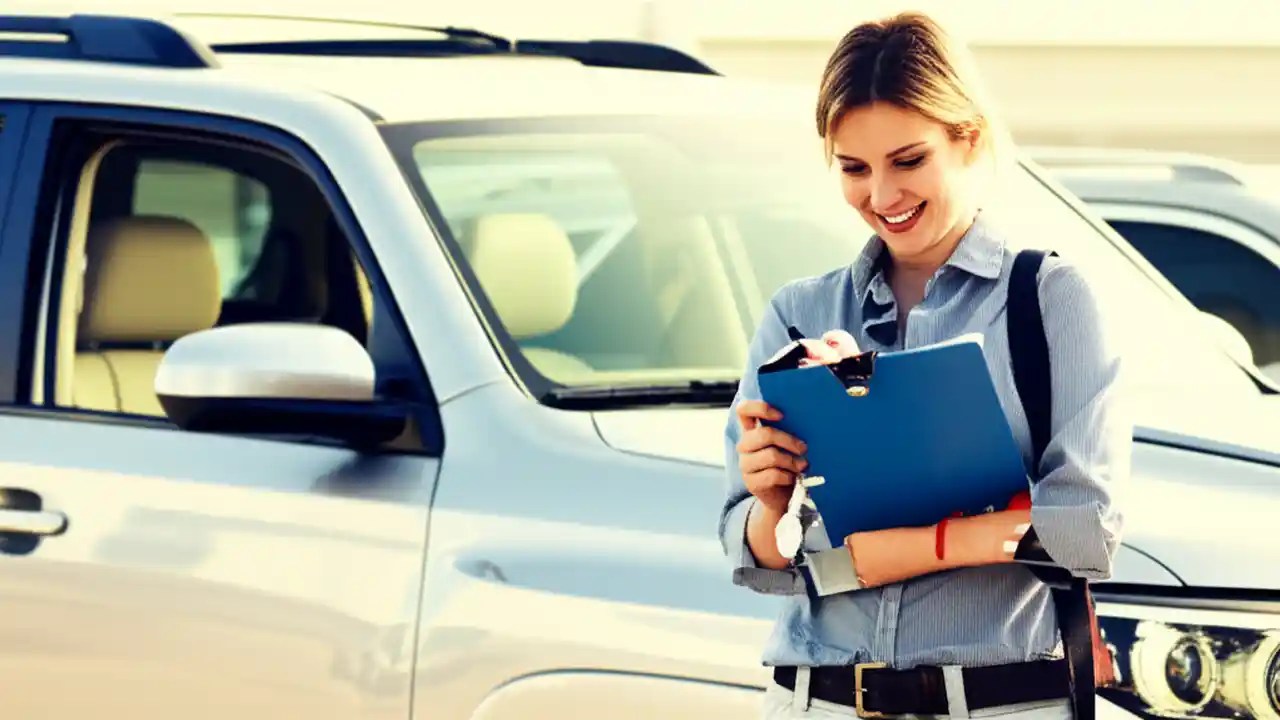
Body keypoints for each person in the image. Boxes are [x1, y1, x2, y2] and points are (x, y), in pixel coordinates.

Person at [717, 11, 1132, 720]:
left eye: (908, 161)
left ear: (966, 139)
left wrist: (897, 548)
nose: (881, 197)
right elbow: (759, 559)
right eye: (853, 168)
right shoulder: (798, 314)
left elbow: (1087, 530)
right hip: (818, 701)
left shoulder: (1049, 301)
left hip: (999, 704)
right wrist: (771, 501)